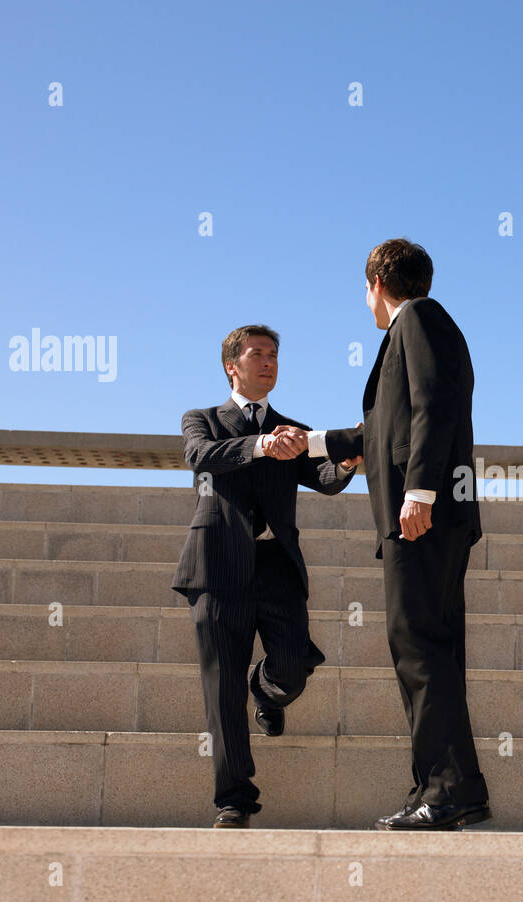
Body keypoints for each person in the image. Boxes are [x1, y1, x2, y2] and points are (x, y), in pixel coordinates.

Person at [310, 238, 491, 830]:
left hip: (422, 517)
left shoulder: (417, 318)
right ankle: (451, 784)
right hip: (429, 515)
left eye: (365, 291)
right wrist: (310, 445)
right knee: (430, 648)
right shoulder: (415, 332)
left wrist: (419, 492)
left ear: (377, 285)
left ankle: (444, 791)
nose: (366, 302)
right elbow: (379, 429)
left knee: (418, 647)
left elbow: (437, 402)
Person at [172, 325, 358, 828]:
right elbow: (199, 456)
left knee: (294, 662)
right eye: (258, 354)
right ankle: (234, 800)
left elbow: (323, 479)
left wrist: (345, 463)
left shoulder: (293, 429)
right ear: (232, 364)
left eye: (274, 354)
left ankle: (267, 690)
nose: (269, 362)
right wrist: (259, 446)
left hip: (276, 566)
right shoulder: (202, 419)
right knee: (220, 690)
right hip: (216, 567)